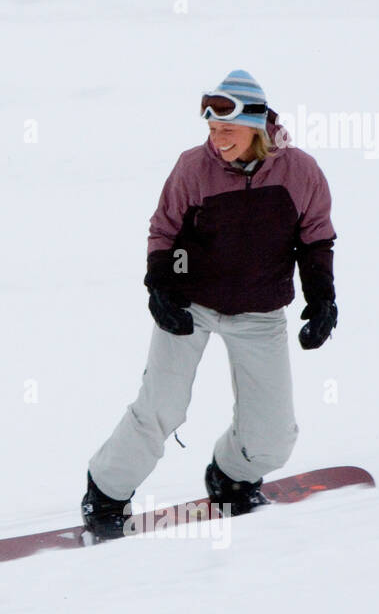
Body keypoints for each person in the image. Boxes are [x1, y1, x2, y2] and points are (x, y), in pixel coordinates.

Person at [81, 70, 338, 538]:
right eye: (212, 129)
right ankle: (105, 495)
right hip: (191, 306)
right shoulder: (193, 168)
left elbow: (316, 238)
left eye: (227, 130)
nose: (217, 140)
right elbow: (164, 232)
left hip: (260, 311)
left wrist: (322, 299)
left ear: (256, 126)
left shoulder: (300, 172)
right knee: (162, 407)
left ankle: (231, 476)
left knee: (273, 437)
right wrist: (161, 289)